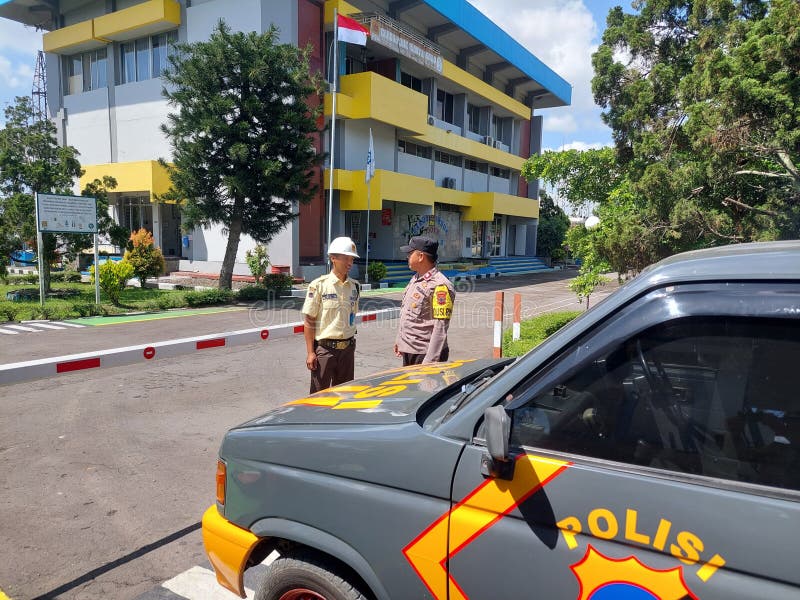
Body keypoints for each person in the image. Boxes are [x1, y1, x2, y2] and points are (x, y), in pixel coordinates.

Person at [302, 236, 361, 393]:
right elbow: (309, 321)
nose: (350, 263)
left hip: (348, 350)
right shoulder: (319, 286)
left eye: (352, 259)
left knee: (345, 395)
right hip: (325, 351)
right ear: (333, 258)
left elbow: (352, 316)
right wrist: (310, 352)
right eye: (346, 258)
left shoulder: (355, 286)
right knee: (319, 397)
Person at [394, 235, 455, 365]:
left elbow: (440, 326)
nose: (407, 257)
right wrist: (400, 340)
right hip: (410, 350)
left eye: (410, 253)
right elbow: (407, 313)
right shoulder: (416, 278)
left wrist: (430, 361)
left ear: (421, 256)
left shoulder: (440, 286)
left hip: (425, 355)